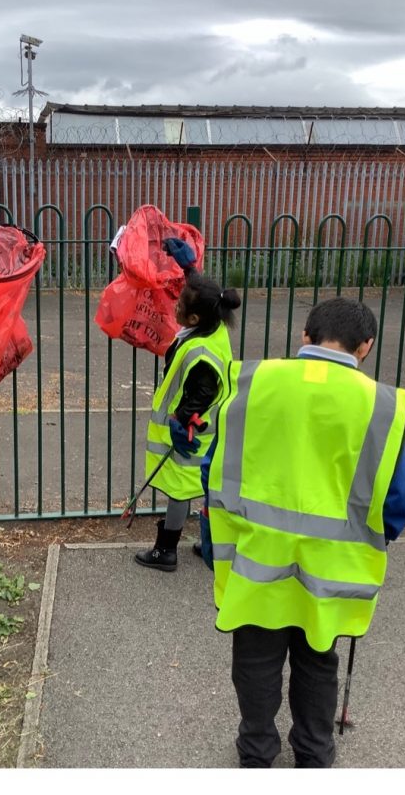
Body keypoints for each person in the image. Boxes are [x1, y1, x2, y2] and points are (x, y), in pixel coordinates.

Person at [205, 297, 405, 768]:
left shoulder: (253, 381)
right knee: (317, 659)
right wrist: (380, 536)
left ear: (305, 337)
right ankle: (314, 752)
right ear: (366, 346)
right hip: (331, 567)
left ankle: (256, 751)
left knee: (256, 659)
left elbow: (214, 467)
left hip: (255, 554)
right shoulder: (381, 405)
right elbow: (398, 498)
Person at [133, 237, 240, 571]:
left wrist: (183, 420)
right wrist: (189, 267)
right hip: (207, 428)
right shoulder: (213, 322)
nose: (174, 308)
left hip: (193, 431)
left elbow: (202, 393)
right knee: (207, 484)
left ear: (193, 318)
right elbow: (202, 292)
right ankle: (211, 543)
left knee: (181, 489)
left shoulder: (203, 354)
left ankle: (166, 551)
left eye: (179, 307)